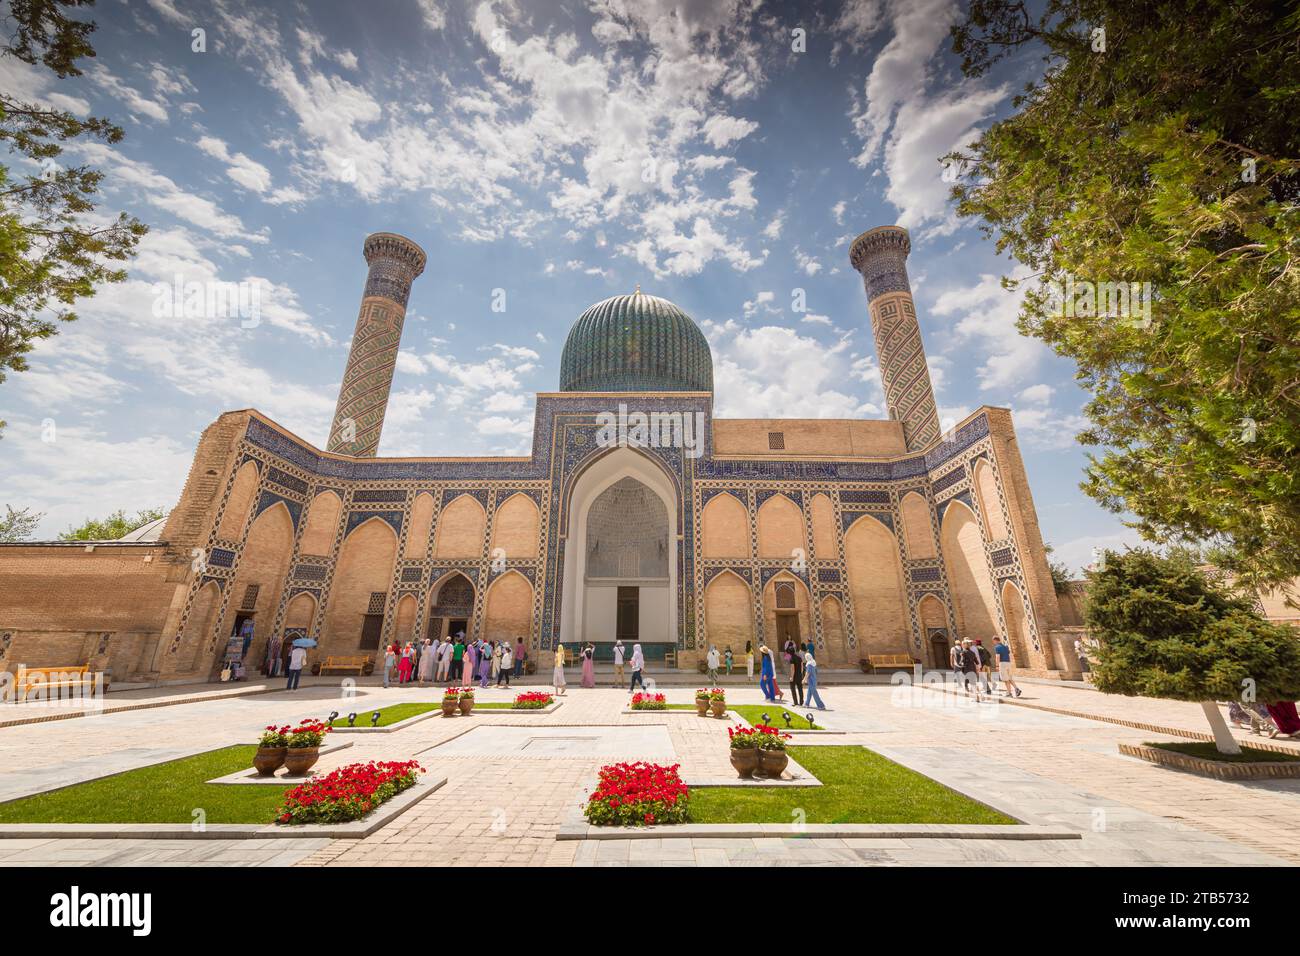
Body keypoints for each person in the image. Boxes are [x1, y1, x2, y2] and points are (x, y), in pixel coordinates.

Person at [803, 642, 825, 709]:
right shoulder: (813, 662)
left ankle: (821, 705)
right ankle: (807, 703)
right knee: (810, 692)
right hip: (814, 679)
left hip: (811, 680)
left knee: (814, 693)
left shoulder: (809, 664)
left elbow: (808, 673)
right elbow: (815, 672)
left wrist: (804, 679)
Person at [788, 640, 804, 706]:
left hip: (794, 676)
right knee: (800, 689)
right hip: (799, 675)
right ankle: (801, 702)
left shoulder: (792, 659)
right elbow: (802, 667)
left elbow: (792, 669)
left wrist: (791, 677)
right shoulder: (799, 658)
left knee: (793, 689)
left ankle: (795, 702)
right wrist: (801, 674)